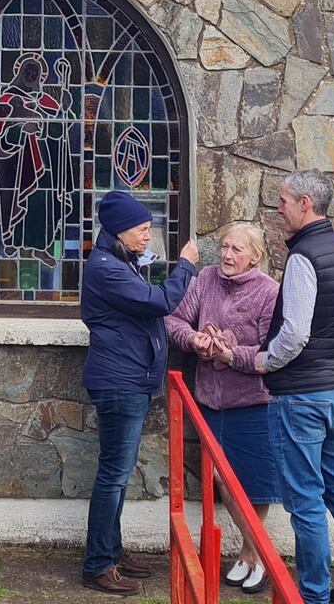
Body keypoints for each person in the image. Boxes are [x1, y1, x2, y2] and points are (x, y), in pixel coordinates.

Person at [238, 169, 334, 604]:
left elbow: (296, 332)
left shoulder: (304, 257)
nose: (277, 208)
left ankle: (313, 597)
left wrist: (264, 360)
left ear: (305, 204)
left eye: (283, 201)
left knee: (305, 502)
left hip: (300, 396)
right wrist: (328, 353)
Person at [79, 189, 199, 596]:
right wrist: (186, 266)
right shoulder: (106, 269)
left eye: (150, 229)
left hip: (130, 380)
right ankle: (98, 564)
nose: (149, 236)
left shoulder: (120, 262)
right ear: (119, 230)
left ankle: (111, 552)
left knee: (117, 474)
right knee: (113, 476)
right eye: (142, 230)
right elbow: (162, 301)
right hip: (120, 383)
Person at [165, 221, 280, 593]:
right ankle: (259, 553)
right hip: (210, 399)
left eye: (237, 250)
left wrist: (231, 354)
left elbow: (271, 351)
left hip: (252, 400)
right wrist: (194, 338)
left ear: (255, 257)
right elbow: (174, 319)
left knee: (253, 484)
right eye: (225, 247)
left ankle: (252, 556)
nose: (228, 256)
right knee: (217, 477)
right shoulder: (206, 279)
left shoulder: (269, 292)